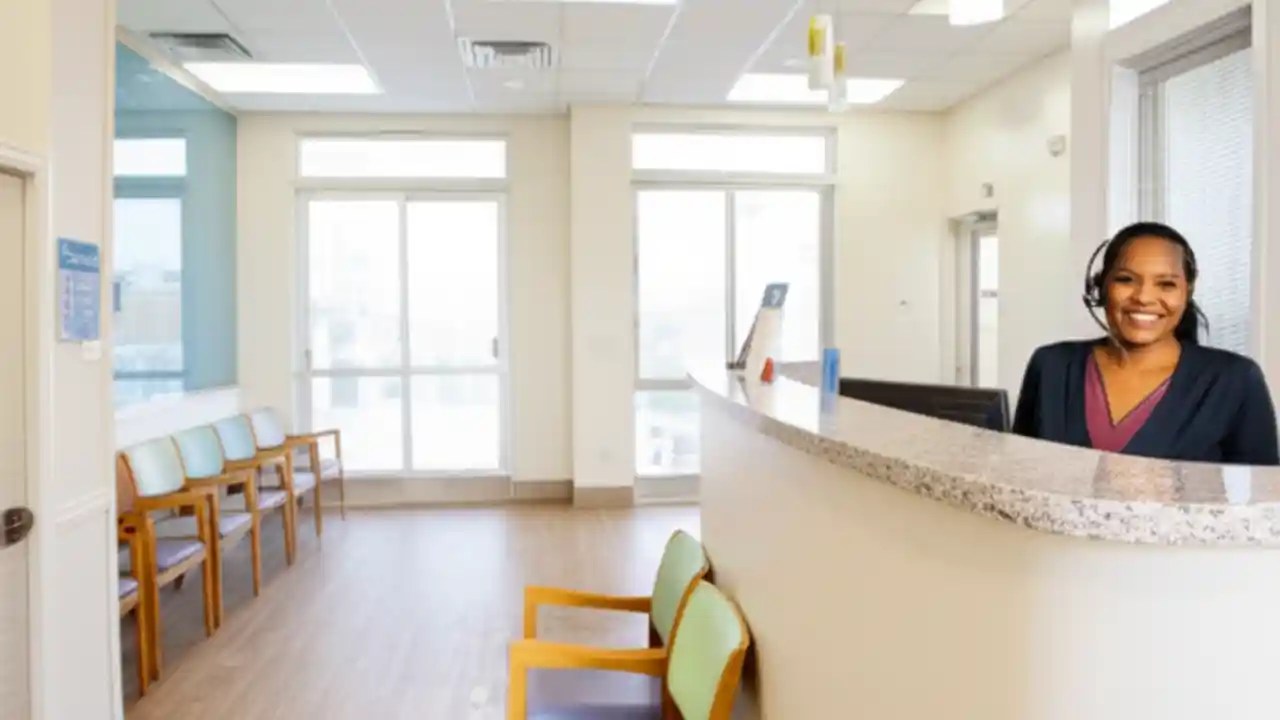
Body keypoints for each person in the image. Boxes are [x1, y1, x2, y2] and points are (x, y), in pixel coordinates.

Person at [1012, 221, 1279, 465]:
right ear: (1102, 285)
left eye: (1166, 284)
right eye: (1125, 280)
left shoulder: (1235, 380)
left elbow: (1262, 502)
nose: (1144, 297)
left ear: (1188, 291)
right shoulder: (1051, 367)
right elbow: (1020, 476)